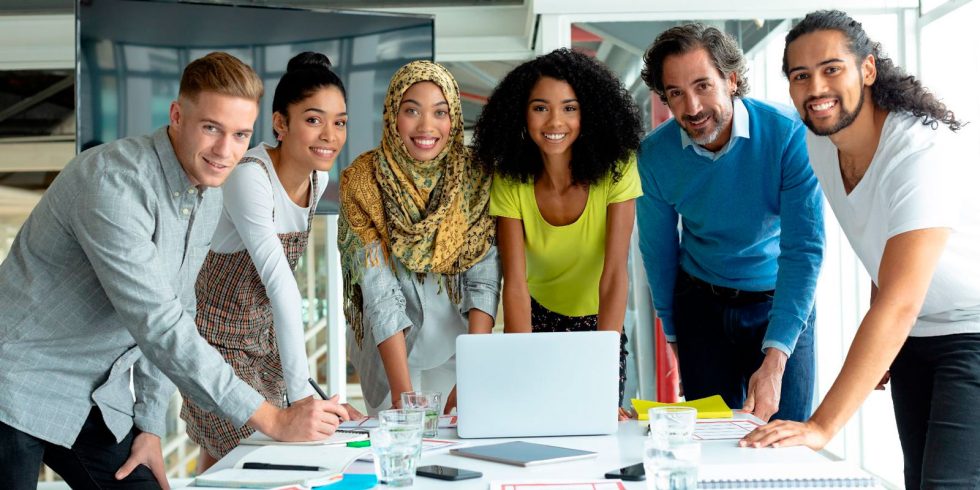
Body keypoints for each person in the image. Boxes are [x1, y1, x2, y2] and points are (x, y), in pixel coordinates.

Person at [0, 52, 349, 489]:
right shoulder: (113, 182)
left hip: (90, 394)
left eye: (240, 134)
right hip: (12, 381)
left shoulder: (207, 192)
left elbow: (181, 307)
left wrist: (148, 424)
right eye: (211, 128)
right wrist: (273, 419)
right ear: (177, 115)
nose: (226, 151)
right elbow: (158, 323)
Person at [742, 10, 978, 489]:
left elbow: (901, 299)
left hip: (972, 328)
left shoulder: (918, 151)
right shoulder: (820, 144)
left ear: (867, 70)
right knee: (921, 480)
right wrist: (886, 348)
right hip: (916, 336)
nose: (816, 88)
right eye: (800, 76)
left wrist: (820, 426)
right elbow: (884, 249)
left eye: (832, 69)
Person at [181, 52, 360, 471]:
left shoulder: (318, 179)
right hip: (215, 344)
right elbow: (281, 286)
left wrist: (304, 394)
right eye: (314, 120)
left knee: (226, 461)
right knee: (258, 457)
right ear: (281, 123)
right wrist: (301, 398)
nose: (330, 135)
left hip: (263, 345)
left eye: (340, 122)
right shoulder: (249, 176)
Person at [636, 24, 824, 422]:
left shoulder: (789, 135)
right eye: (675, 93)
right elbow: (658, 251)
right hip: (700, 307)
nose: (692, 107)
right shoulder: (655, 156)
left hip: (779, 298)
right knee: (713, 442)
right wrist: (675, 336)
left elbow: (803, 249)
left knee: (783, 437)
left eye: (703, 85)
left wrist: (775, 359)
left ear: (732, 79)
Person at [472, 48, 642, 412]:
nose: (554, 122)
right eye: (540, 108)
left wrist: (601, 368)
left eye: (569, 107)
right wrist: (523, 362)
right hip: (536, 319)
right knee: (533, 415)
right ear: (521, 113)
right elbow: (514, 283)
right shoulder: (510, 178)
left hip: (601, 323)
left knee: (597, 425)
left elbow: (614, 275)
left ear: (589, 113)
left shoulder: (618, 169)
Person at [339, 60, 500, 415]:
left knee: (457, 444)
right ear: (392, 115)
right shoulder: (363, 182)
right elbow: (379, 293)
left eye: (440, 112)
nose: (427, 126)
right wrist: (402, 398)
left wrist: (472, 373)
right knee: (399, 440)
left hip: (459, 344)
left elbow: (483, 282)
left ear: (454, 118)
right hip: (389, 352)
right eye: (412, 111)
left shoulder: (476, 177)